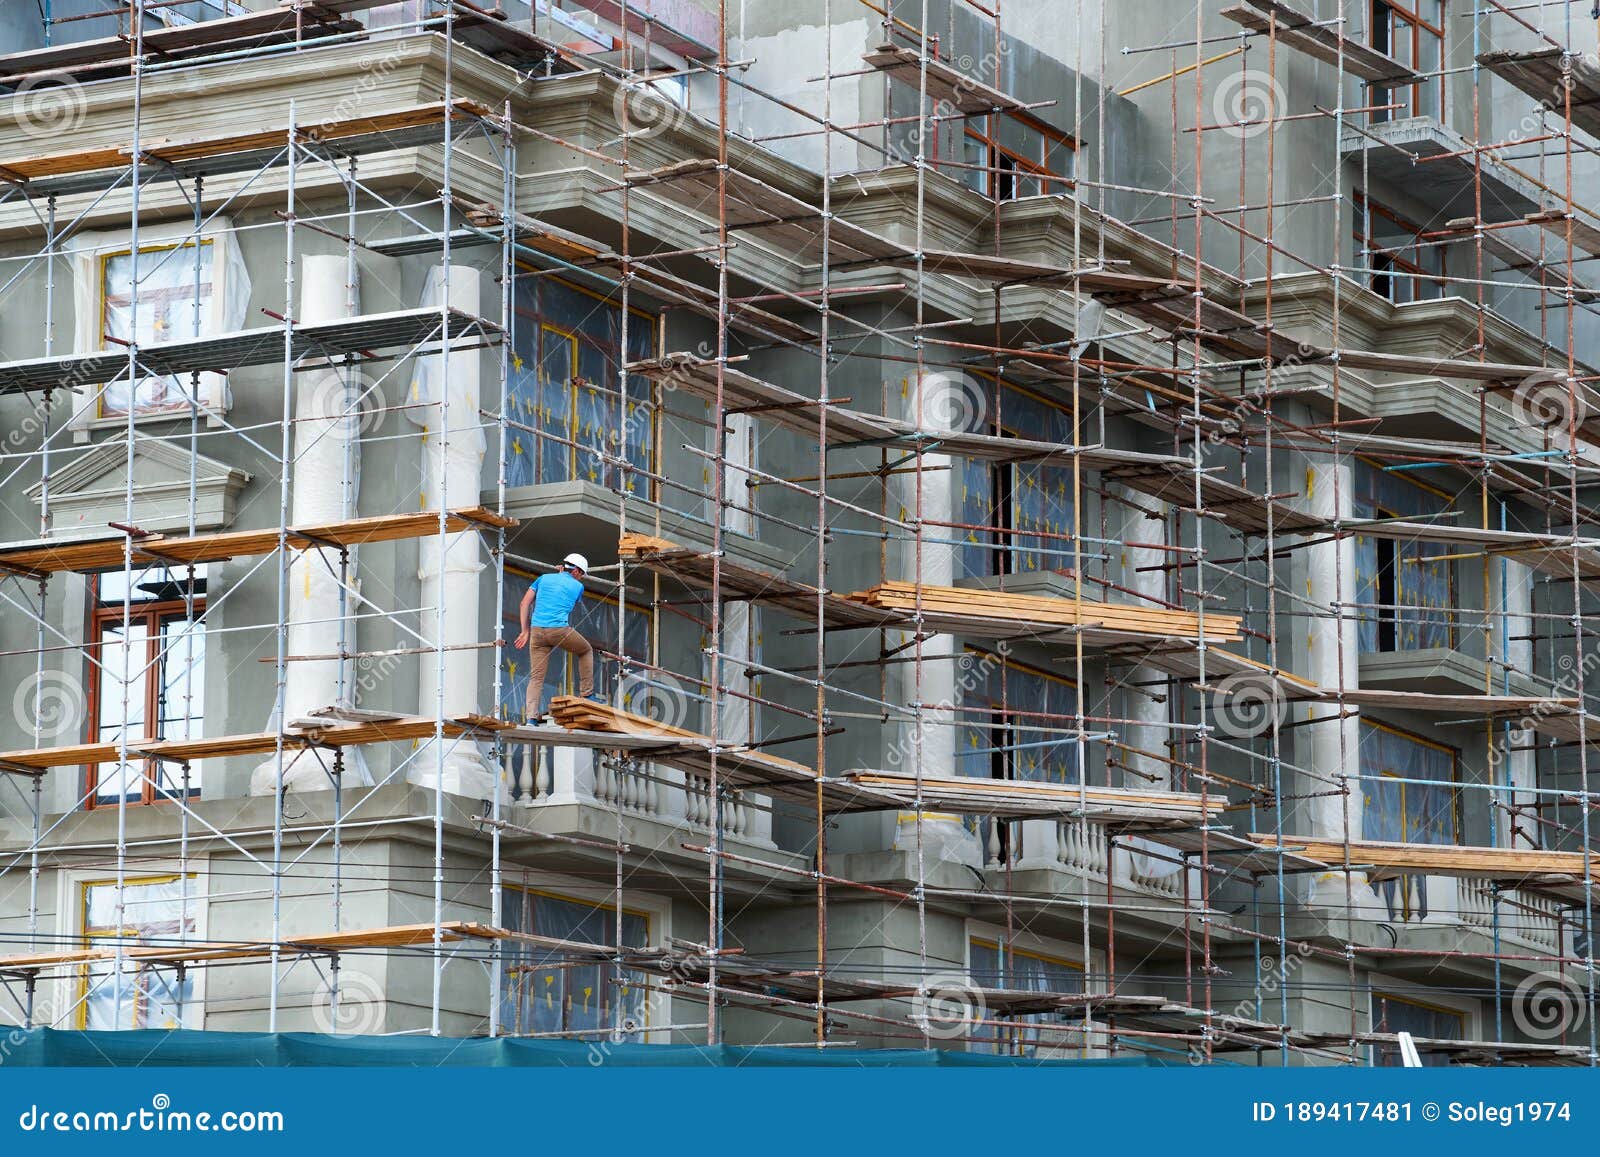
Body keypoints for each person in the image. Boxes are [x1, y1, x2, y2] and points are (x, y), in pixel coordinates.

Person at [515, 552, 601, 721]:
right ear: (576, 571)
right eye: (581, 574)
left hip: (536, 631)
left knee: (536, 677)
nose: (581, 578)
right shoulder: (578, 587)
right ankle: (587, 693)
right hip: (558, 630)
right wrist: (563, 576)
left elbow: (524, 603)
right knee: (585, 650)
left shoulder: (543, 578)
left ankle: (531, 718)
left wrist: (525, 631)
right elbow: (566, 594)